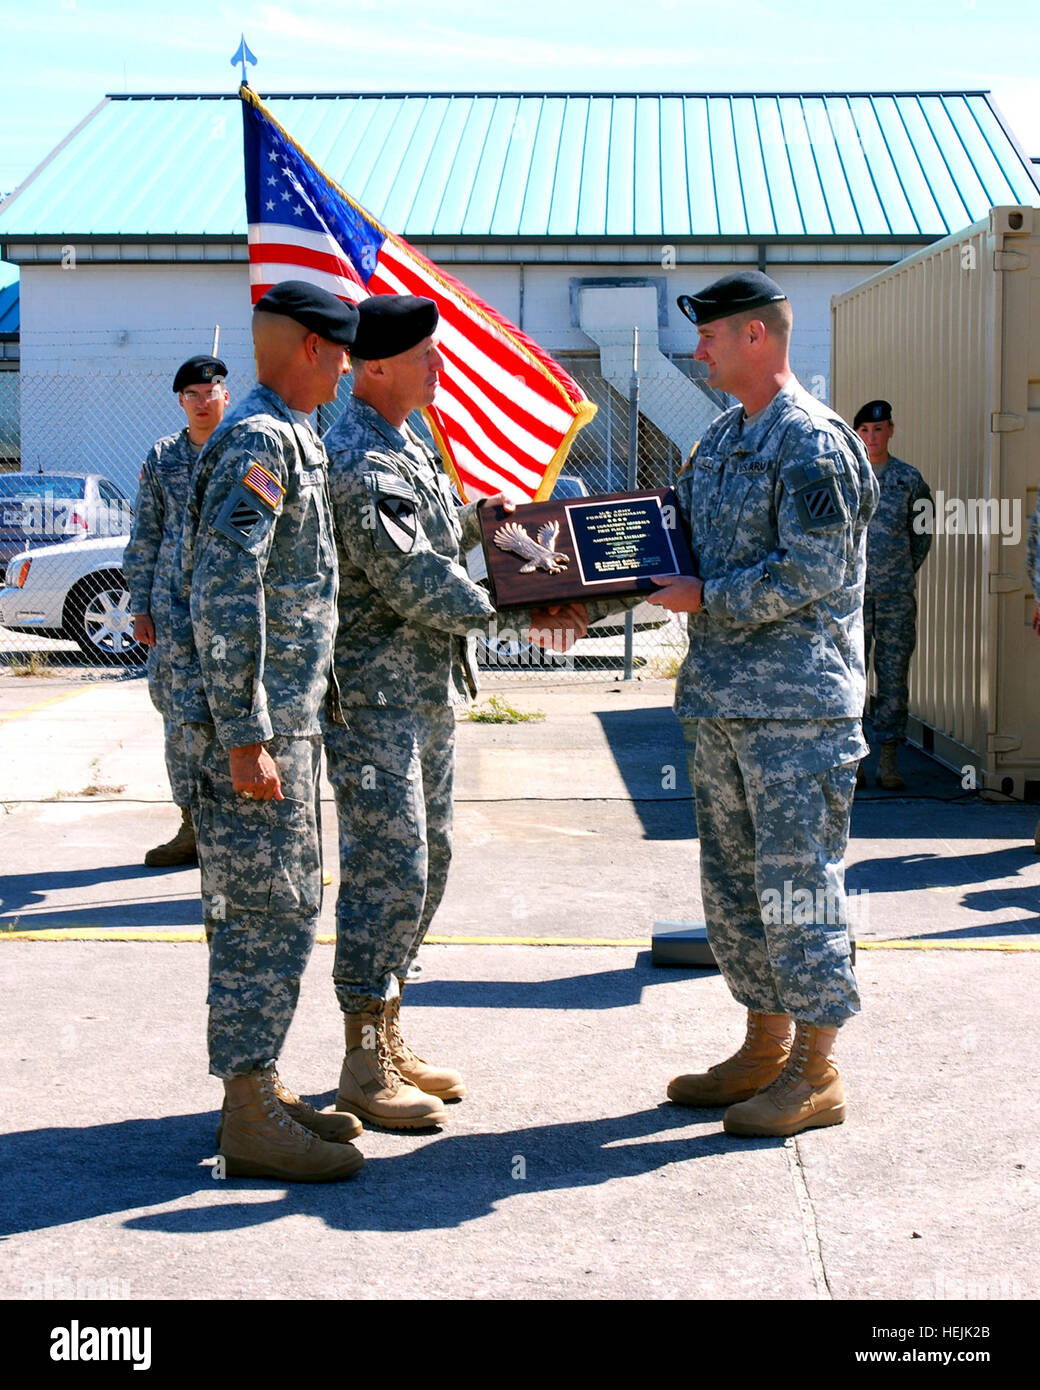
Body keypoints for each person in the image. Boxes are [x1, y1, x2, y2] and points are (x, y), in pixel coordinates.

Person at [321, 293, 587, 1130]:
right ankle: (362, 1060)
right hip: (375, 703)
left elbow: (433, 538)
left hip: (422, 695)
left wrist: (483, 520)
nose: (441, 366)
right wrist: (537, 603)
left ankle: (389, 1034)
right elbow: (415, 581)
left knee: (427, 862)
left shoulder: (404, 447)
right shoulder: (360, 462)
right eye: (428, 355)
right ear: (376, 367)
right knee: (387, 870)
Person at [648, 270, 878, 1137]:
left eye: (710, 335)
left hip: (798, 712)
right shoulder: (718, 439)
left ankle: (815, 1072)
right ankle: (761, 1045)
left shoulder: (811, 444)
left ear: (757, 337)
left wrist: (706, 598)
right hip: (722, 705)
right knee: (737, 889)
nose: (698, 349)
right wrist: (564, 573)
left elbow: (812, 570)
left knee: (797, 890)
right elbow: (665, 540)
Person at [170, 280, 364, 1182]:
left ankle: (260, 1083)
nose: (350, 369)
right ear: (312, 351)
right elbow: (225, 587)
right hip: (259, 728)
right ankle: (247, 1112)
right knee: (264, 913)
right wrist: (247, 734)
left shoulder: (288, 437)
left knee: (282, 903)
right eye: (343, 352)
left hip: (284, 719)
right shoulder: (260, 439)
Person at [124, 356, 229, 866]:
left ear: (226, 396)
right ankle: (191, 824)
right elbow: (144, 535)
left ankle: (239, 827)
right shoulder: (163, 457)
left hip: (236, 613)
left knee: (241, 714)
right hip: (173, 616)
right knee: (179, 720)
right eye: (192, 394)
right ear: (181, 402)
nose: (203, 402)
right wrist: (141, 606)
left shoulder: (245, 451)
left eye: (211, 393)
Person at [854, 400, 933, 791]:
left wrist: (900, 570)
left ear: (891, 430)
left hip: (896, 597)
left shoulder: (909, 479)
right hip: (852, 598)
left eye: (879, 429)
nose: (872, 437)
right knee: (852, 676)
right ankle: (854, 759)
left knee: (893, 676)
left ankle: (888, 758)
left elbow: (923, 535)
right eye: (865, 430)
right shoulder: (847, 477)